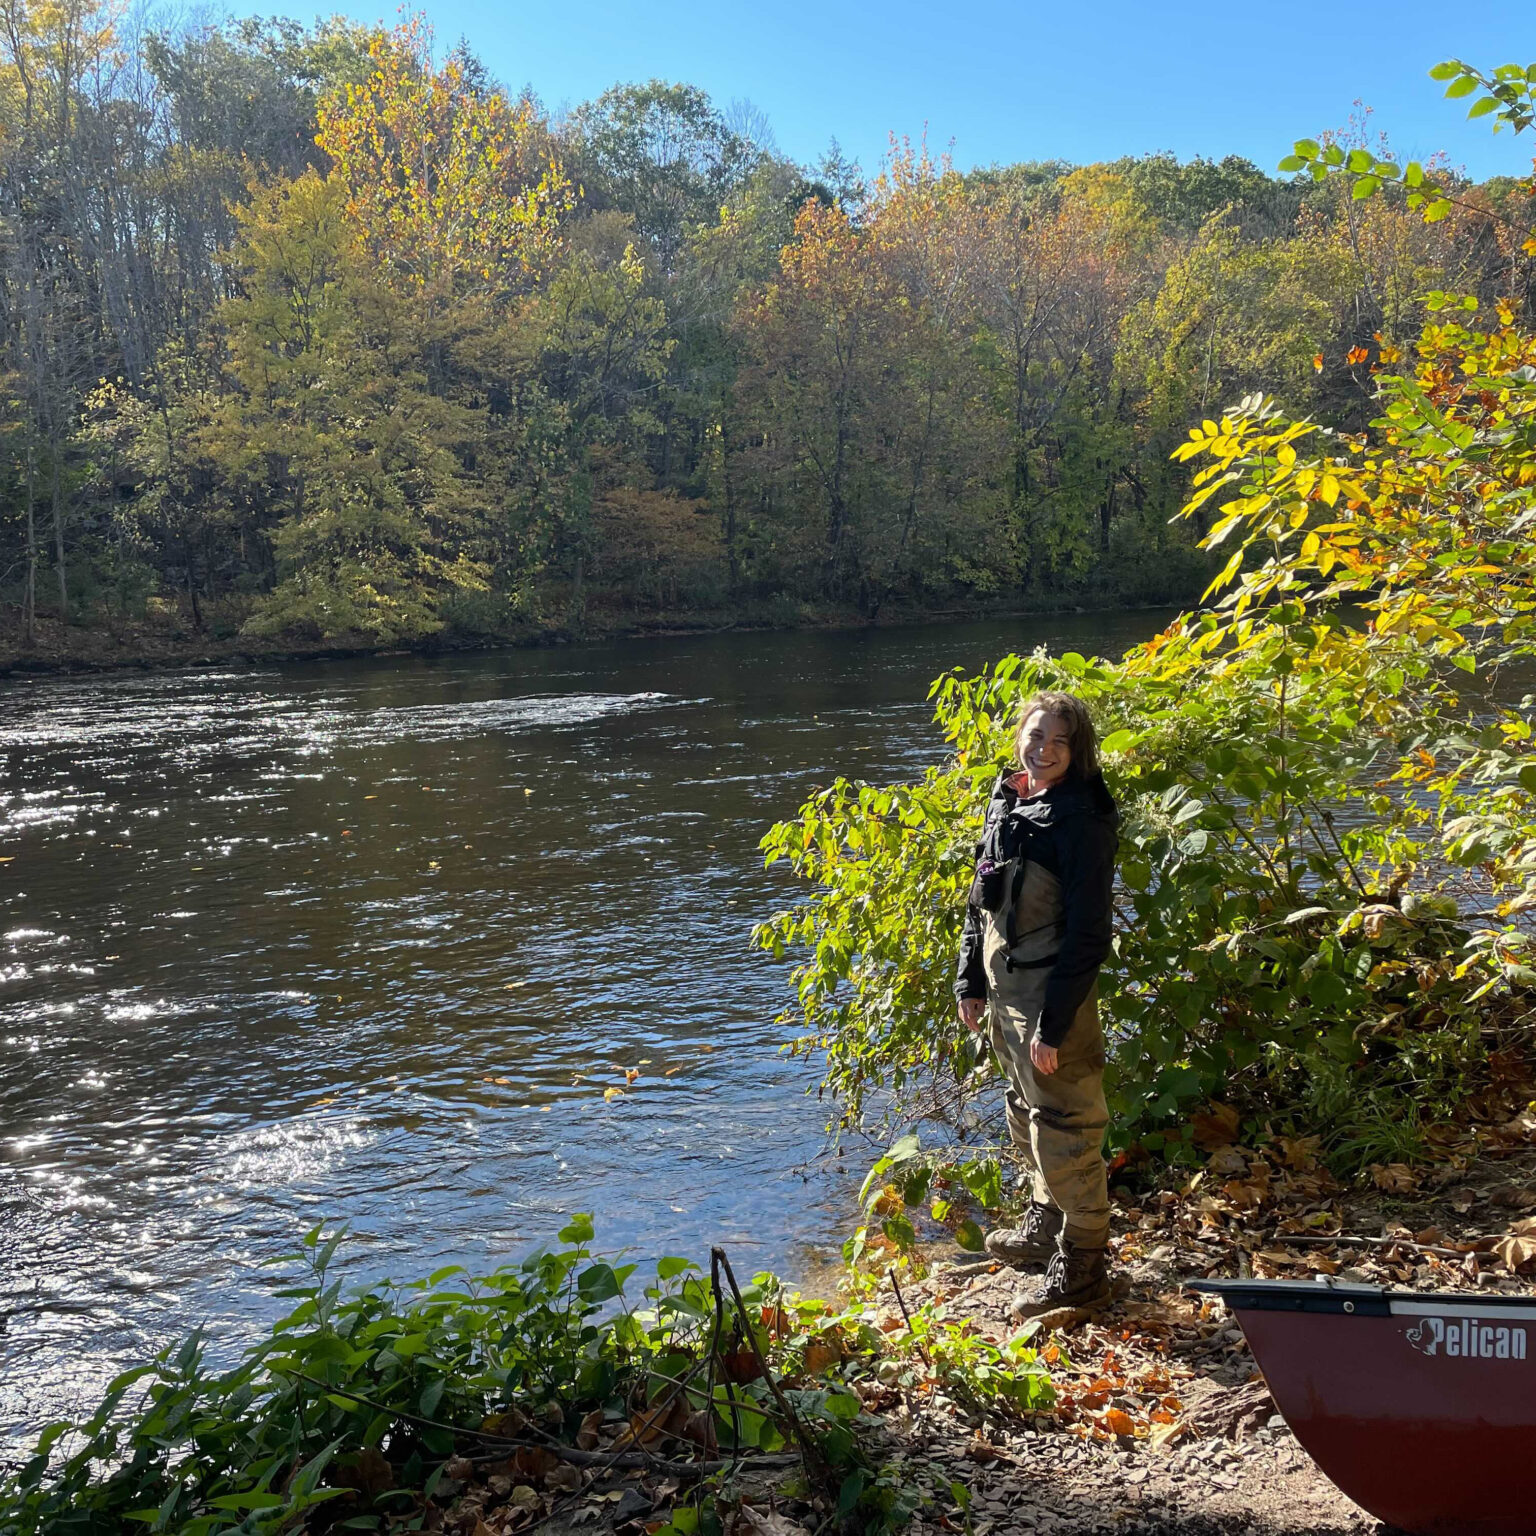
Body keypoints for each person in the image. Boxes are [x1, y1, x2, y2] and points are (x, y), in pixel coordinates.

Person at [954, 690, 1119, 1321]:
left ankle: (1084, 1267)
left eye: (1058, 740)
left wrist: (1053, 1026)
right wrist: (969, 978)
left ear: (1076, 752)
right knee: (1024, 1111)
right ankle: (1046, 1224)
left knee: (1068, 1126)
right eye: (1034, 735)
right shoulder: (1011, 797)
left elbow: (1088, 935)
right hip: (1004, 987)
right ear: (1019, 737)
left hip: (1054, 997)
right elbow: (982, 898)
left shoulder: (1083, 818)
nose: (1042, 749)